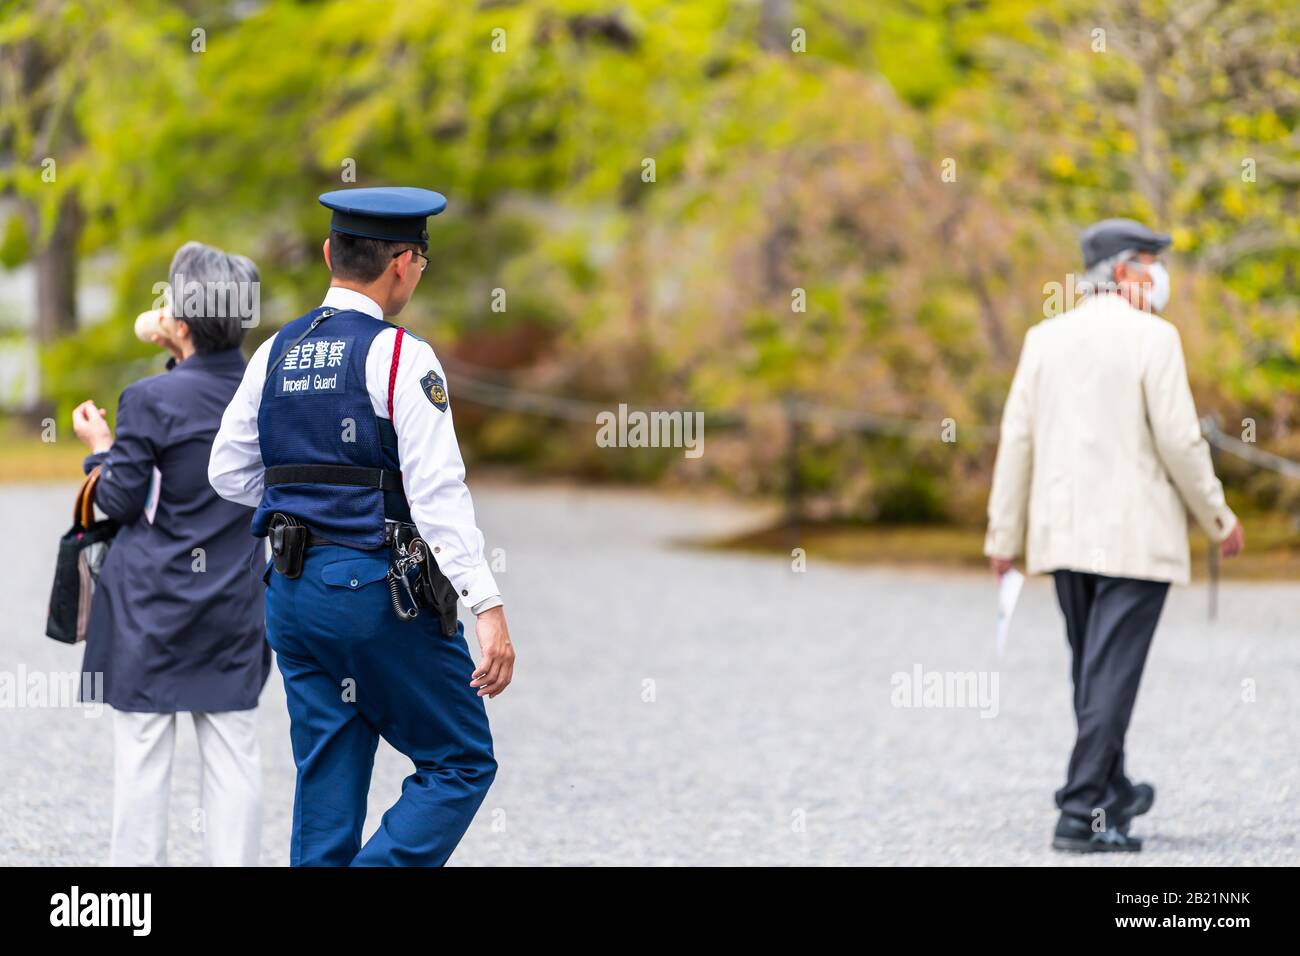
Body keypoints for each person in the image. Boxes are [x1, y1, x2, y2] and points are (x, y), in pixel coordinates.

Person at [208, 186, 514, 867]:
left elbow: (225, 473)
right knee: (461, 760)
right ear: (403, 263)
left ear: (328, 253)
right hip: (374, 593)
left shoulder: (274, 353)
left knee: (327, 775)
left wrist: (303, 501)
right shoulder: (403, 356)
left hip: (291, 596)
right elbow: (437, 495)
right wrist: (486, 606)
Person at [984, 218, 1244, 853]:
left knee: (1093, 670)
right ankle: (1079, 812)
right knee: (1111, 675)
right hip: (1132, 540)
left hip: (1064, 540)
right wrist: (1218, 517)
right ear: (1125, 270)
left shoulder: (1044, 339)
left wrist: (1004, 534)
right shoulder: (1154, 340)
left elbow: (1017, 439)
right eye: (1152, 262)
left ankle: (1112, 792)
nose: (1160, 276)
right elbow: (1181, 442)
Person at [70, 241, 270, 866]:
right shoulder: (266, 392)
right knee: (234, 755)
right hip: (235, 602)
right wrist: (186, 354)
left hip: (151, 607)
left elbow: (122, 501)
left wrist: (100, 447)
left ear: (179, 324)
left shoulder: (150, 400)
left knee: (143, 760)